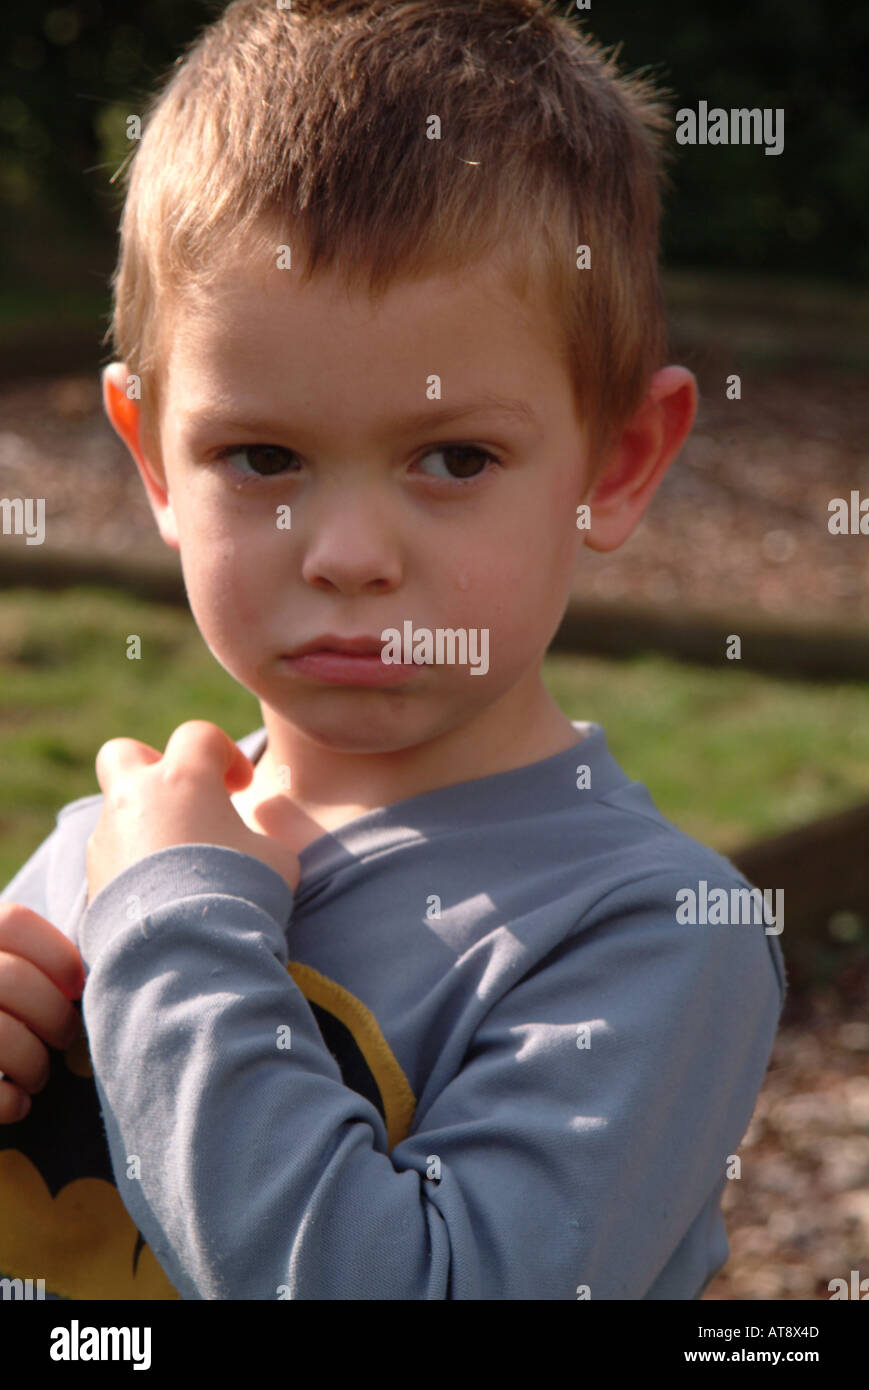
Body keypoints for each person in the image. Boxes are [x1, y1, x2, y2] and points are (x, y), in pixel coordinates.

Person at [0, 0, 785, 1300]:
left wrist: (182, 929)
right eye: (263, 457)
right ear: (150, 456)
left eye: (452, 458)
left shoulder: (646, 931)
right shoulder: (107, 850)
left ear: (616, 462)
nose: (347, 552)